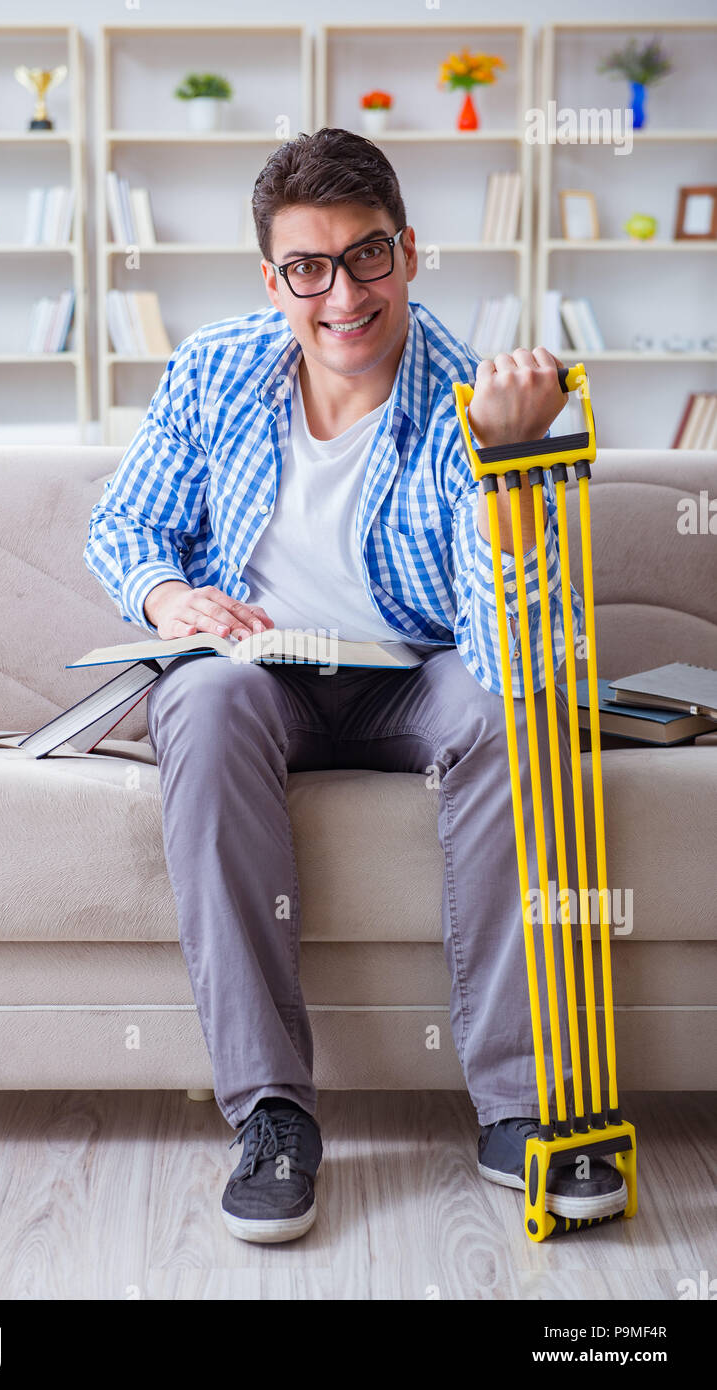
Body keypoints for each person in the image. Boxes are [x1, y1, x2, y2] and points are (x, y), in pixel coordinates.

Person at [84, 128, 627, 1244]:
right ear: (273, 278)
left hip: (414, 677)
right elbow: (125, 523)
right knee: (201, 696)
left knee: (512, 715)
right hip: (264, 679)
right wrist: (165, 598)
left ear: (412, 253)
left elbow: (512, 658)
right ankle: (272, 1114)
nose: (343, 294)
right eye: (309, 267)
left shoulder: (474, 392)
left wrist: (507, 464)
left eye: (367, 256)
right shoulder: (215, 368)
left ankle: (519, 1113)